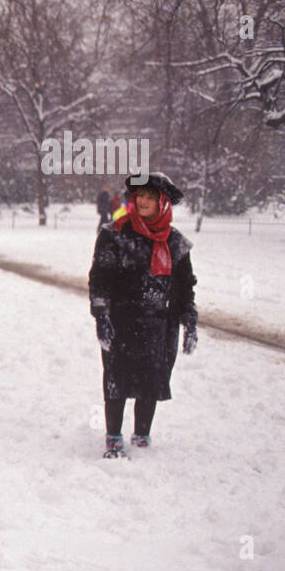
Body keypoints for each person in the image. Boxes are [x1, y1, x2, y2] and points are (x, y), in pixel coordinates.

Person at [88, 172, 197, 459]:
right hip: (123, 323)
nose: (144, 201)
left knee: (152, 381)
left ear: (162, 203)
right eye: (140, 197)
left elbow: (185, 286)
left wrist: (190, 320)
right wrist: (101, 315)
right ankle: (113, 437)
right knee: (117, 380)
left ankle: (142, 436)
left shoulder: (176, 243)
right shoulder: (114, 234)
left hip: (161, 327)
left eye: (150, 197)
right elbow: (100, 278)